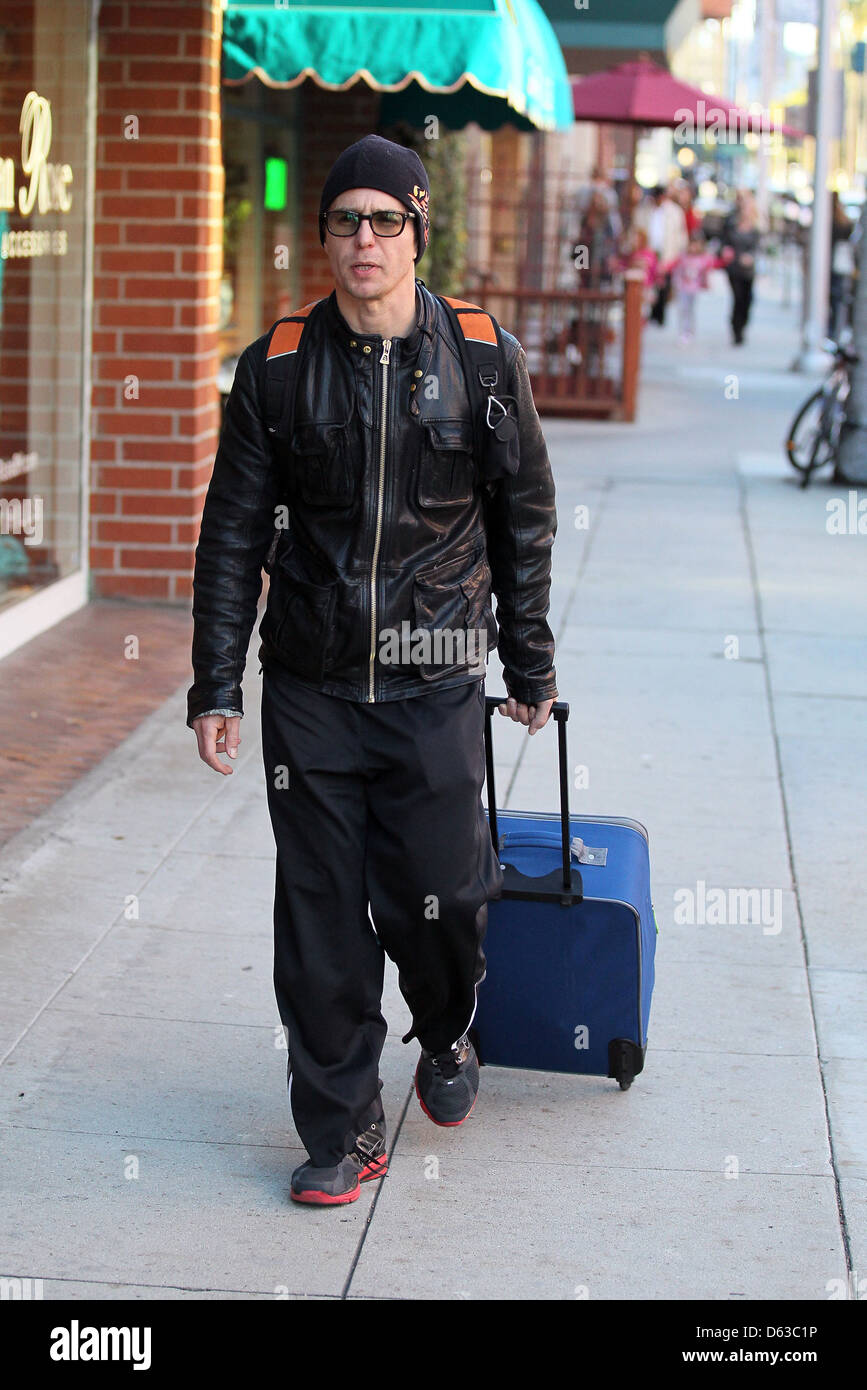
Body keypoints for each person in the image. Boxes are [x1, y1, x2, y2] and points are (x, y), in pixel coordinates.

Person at [186, 135, 559, 1207]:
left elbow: (523, 517)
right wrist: (219, 682)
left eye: (384, 220)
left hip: (436, 673)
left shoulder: (483, 360)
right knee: (316, 919)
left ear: (416, 232)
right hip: (310, 687)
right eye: (346, 219)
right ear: (326, 235)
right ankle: (340, 1123)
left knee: (442, 896)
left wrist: (525, 658)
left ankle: (445, 1029)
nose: (364, 238)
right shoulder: (278, 367)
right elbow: (233, 534)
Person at [634, 184, 688, 326]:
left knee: (664, 283)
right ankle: (650, 313)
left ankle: (660, 314)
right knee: (649, 283)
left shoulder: (674, 212)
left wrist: (677, 253)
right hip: (649, 252)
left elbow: (679, 234)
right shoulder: (644, 210)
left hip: (667, 252)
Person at [668, 232, 727, 344]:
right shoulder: (683, 257)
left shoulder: (703, 258)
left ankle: (689, 331)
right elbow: (672, 265)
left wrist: (725, 259)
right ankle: (683, 331)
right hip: (682, 287)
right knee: (683, 309)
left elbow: (715, 264)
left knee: (690, 310)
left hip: (694, 288)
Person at [720, 189, 761, 345]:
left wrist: (750, 257)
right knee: (737, 298)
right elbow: (723, 242)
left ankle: (742, 324)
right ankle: (736, 328)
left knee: (747, 299)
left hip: (748, 270)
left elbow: (759, 247)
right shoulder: (731, 223)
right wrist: (726, 251)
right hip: (734, 267)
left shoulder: (755, 227)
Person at [829, 192, 855, 340]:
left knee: (833, 299)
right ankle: (834, 331)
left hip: (831, 265)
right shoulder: (843, 220)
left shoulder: (828, 221)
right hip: (838, 264)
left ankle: (831, 331)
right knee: (836, 299)